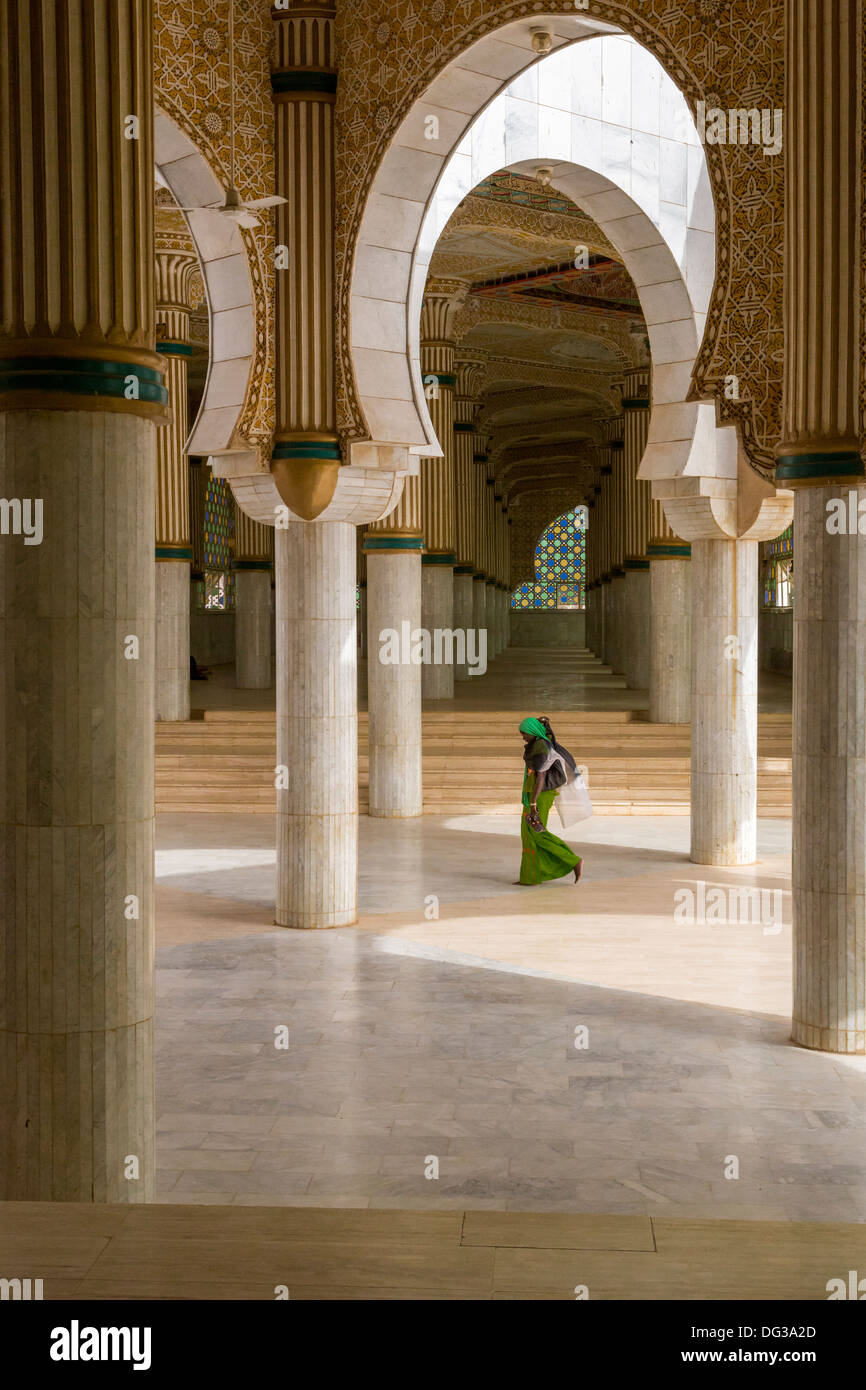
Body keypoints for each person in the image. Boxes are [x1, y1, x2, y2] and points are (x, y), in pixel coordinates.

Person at [515, 715, 583, 885]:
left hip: (541, 795)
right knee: (528, 834)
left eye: (525, 733)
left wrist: (533, 803)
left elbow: (541, 776)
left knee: (536, 833)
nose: (523, 736)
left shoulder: (541, 747)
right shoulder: (540, 742)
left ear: (533, 732)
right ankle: (529, 877)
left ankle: (572, 860)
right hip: (534, 793)